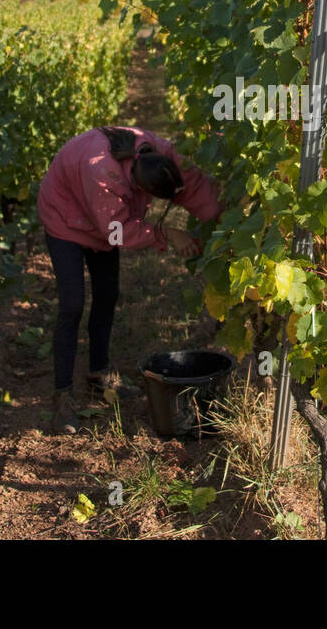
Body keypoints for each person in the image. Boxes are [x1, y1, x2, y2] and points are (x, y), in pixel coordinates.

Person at [37, 125, 222, 433]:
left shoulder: (158, 151)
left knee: (107, 294)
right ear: (139, 186)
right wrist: (166, 233)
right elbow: (117, 230)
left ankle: (99, 374)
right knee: (72, 305)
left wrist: (217, 217)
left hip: (100, 221)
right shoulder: (103, 175)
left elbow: (188, 183)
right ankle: (63, 397)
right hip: (64, 218)